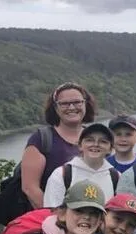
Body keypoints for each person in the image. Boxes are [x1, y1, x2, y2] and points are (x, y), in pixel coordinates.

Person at [20, 82, 98, 210]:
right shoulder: (41, 139)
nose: (72, 107)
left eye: (77, 102)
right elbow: (30, 188)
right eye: (64, 104)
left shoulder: (95, 137)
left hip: (89, 218)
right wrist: (57, 217)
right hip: (49, 221)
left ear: (86, 104)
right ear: (55, 108)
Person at [43, 123, 119, 208]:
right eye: (89, 140)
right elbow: (51, 212)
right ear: (80, 145)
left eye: (103, 141)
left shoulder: (116, 177)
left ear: (110, 149)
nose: (96, 144)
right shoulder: (61, 174)